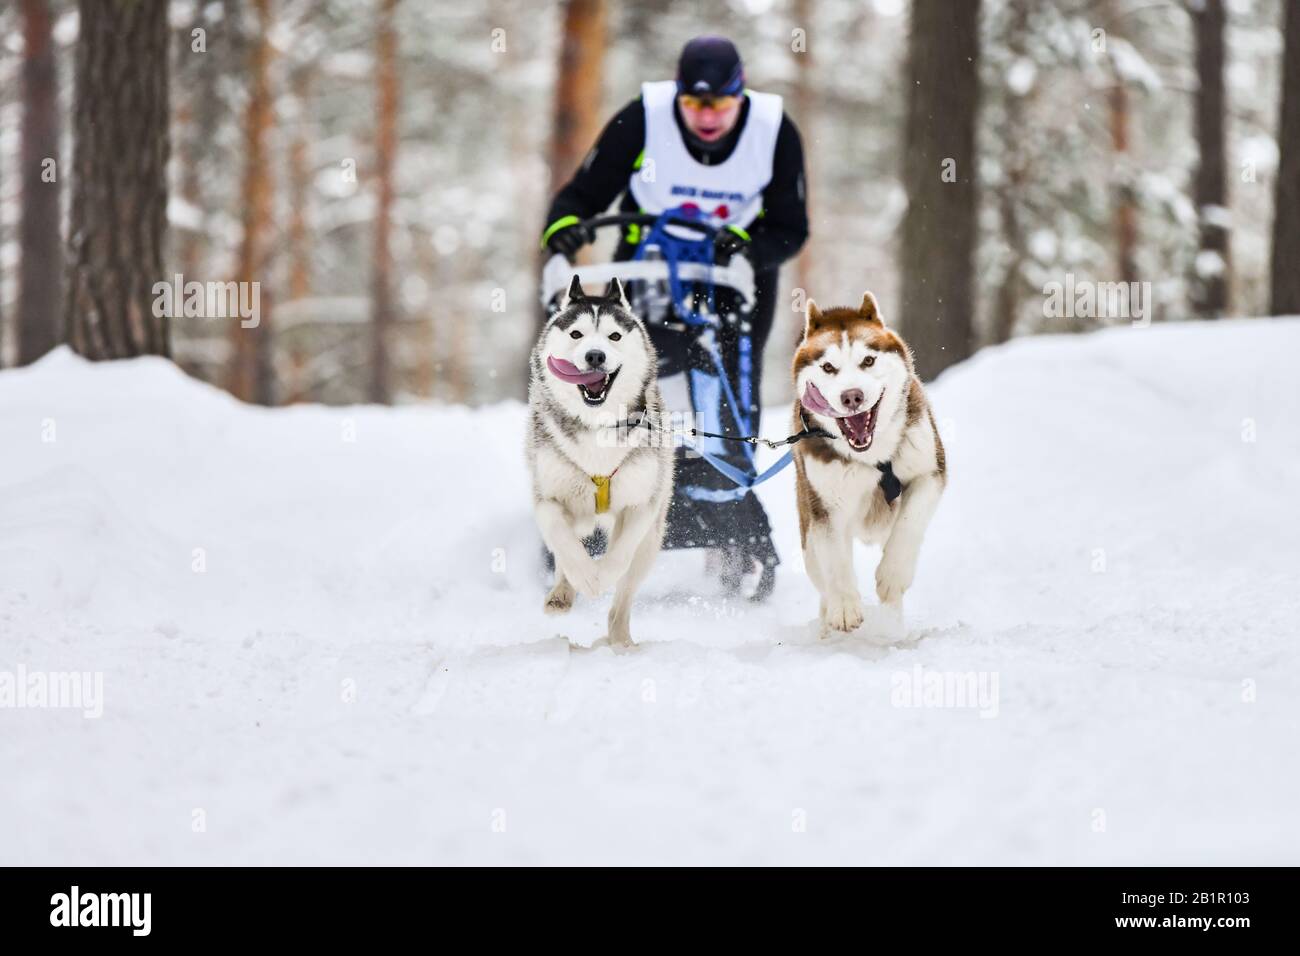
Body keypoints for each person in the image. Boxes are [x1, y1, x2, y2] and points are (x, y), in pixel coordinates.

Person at [541, 35, 808, 599]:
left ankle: (726, 495)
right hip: (646, 272)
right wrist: (564, 232)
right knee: (625, 384)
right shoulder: (644, 116)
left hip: (737, 278)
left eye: (719, 106)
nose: (706, 117)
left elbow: (790, 226)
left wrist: (749, 250)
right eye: (694, 104)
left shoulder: (773, 130)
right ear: (679, 96)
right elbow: (582, 195)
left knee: (731, 385)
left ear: (740, 97)